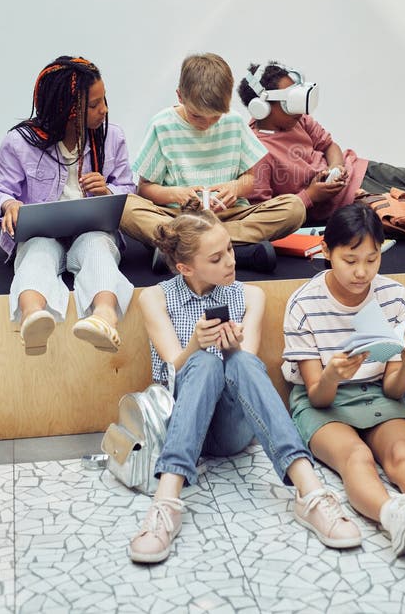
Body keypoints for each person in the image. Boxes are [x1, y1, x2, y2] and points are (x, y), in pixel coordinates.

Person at [129, 209, 362, 563]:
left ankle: (310, 494)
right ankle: (166, 503)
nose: (230, 262)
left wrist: (232, 346)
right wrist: (196, 344)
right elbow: (172, 370)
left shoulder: (250, 296)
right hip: (180, 424)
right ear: (185, 268)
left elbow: (247, 366)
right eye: (216, 257)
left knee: (237, 360)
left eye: (230, 250)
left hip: (231, 430)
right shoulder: (155, 298)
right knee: (204, 362)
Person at [282, 203, 405, 557]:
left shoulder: (394, 297)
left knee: (402, 454)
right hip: (323, 400)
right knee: (356, 457)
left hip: (377, 393)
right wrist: (332, 374)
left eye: (372, 259)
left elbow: (393, 389)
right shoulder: (304, 304)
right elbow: (317, 396)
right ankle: (396, 518)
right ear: (326, 252)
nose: (362, 272)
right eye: (350, 260)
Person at [0, 55, 135, 355]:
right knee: (37, 253)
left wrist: (108, 189)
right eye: (94, 105)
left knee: (97, 250)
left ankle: (104, 317)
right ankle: (32, 319)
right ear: (66, 110)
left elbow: (127, 188)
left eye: (104, 101)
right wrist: (9, 204)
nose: (103, 110)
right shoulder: (19, 142)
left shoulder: (111, 137)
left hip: (92, 231)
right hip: (41, 233)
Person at [120, 54, 305, 272]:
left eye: (216, 117)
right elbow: (145, 188)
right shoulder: (162, 125)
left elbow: (249, 179)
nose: (207, 124)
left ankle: (180, 247)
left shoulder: (234, 122)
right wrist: (176, 194)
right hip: (180, 218)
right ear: (180, 96)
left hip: (228, 216)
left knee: (294, 208)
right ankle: (234, 250)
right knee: (125, 208)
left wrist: (234, 188)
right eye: (198, 116)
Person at [237, 61, 405, 226]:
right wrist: (311, 195)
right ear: (261, 108)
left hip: (356, 168)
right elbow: (264, 214)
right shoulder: (257, 152)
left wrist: (336, 167)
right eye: (288, 103)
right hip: (348, 198)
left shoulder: (299, 119)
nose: (299, 109)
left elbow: (329, 146)